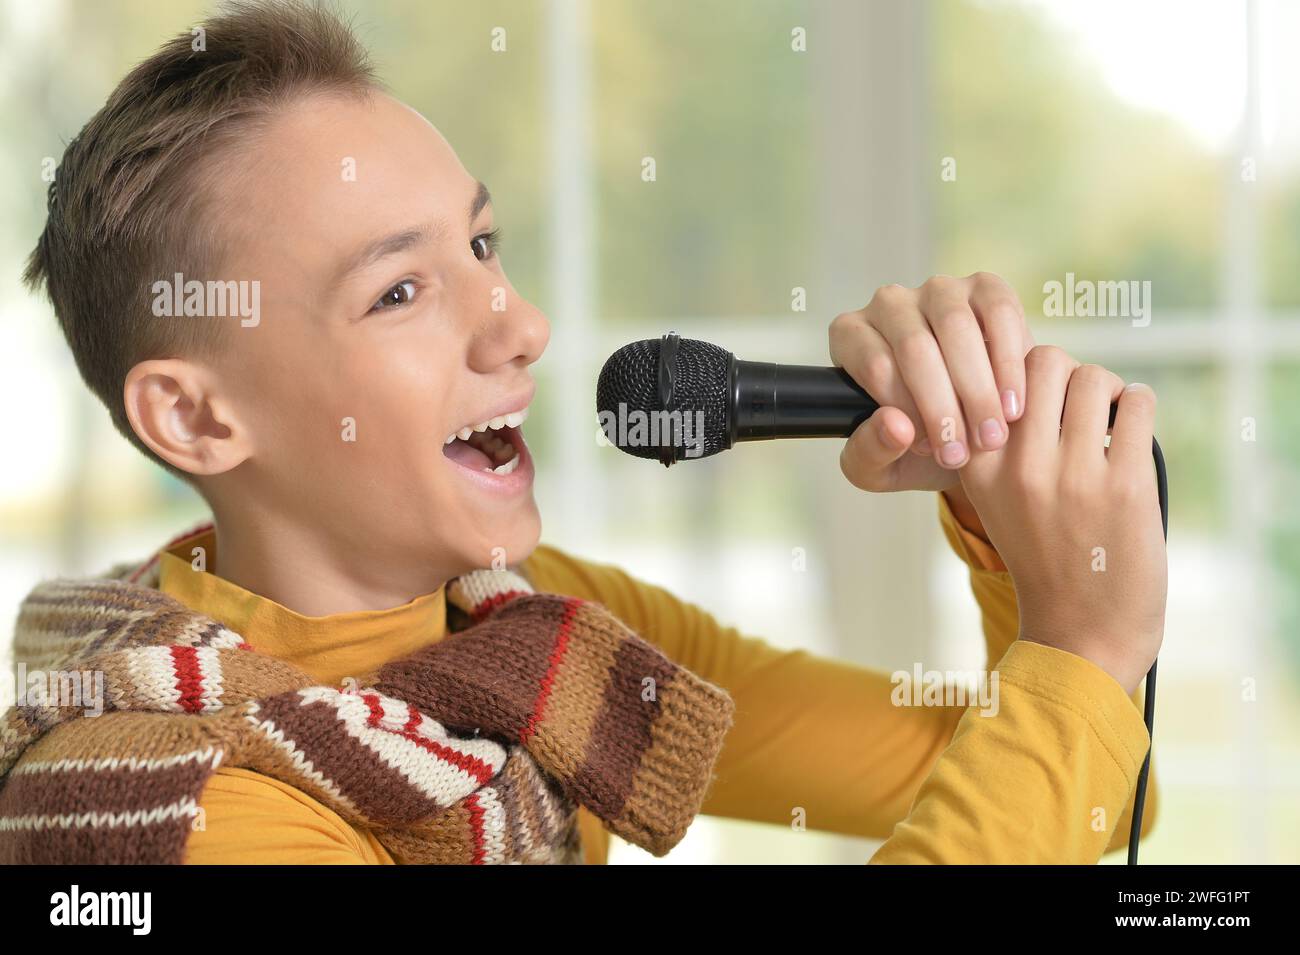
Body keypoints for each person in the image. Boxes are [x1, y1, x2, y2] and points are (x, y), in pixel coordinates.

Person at [1, 0, 1163, 865]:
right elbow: (1071, 725)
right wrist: (1081, 652)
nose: (522, 326)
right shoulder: (175, 811)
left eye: (482, 245)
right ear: (197, 416)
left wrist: (1020, 535)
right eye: (399, 292)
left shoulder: (542, 629)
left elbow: (1101, 785)